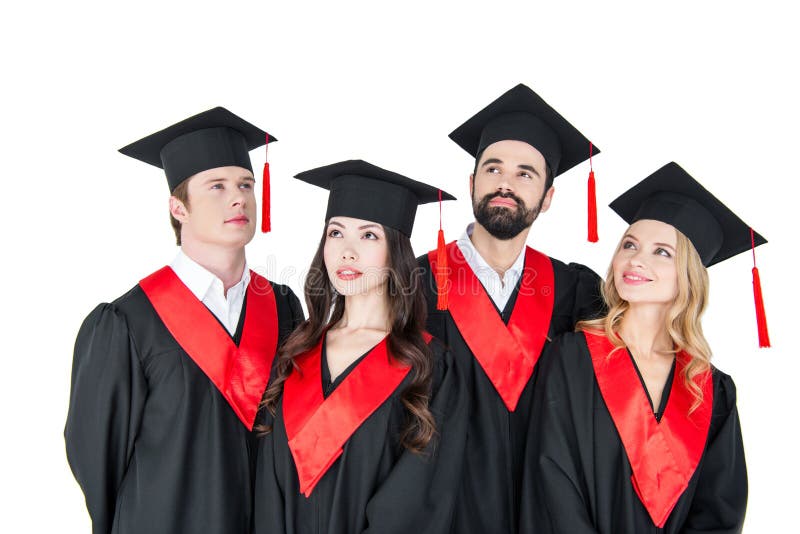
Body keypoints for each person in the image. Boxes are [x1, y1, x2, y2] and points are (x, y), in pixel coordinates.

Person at [64, 107, 304, 534]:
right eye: (217, 186)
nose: (238, 198)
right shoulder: (128, 322)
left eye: (245, 184)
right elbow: (96, 457)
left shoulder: (283, 305)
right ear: (178, 207)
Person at [521, 162, 753, 533]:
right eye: (629, 245)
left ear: (688, 275)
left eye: (661, 252)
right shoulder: (572, 357)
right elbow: (552, 479)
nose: (636, 259)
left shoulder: (709, 389)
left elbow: (719, 510)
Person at [417, 83, 605, 534]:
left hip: (545, 514)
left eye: (526, 174)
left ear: (547, 197)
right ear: (472, 183)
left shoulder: (575, 291)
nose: (505, 183)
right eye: (493, 168)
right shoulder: (414, 284)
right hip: (440, 515)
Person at [254, 159, 468, 534]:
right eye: (335, 233)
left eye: (368, 236)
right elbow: (269, 489)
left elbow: (416, 500)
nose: (347, 251)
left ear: (395, 255)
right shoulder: (295, 354)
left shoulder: (429, 367)